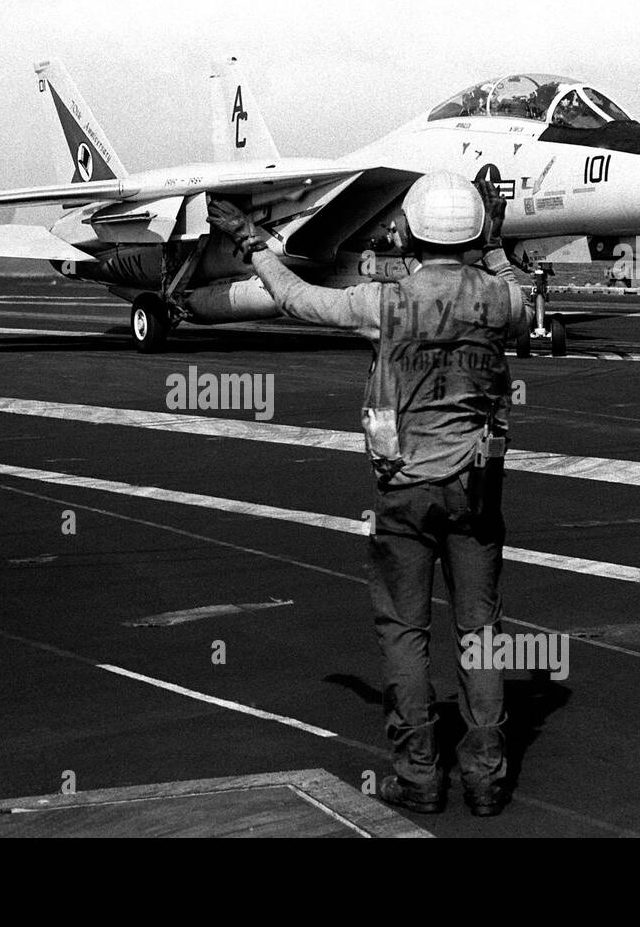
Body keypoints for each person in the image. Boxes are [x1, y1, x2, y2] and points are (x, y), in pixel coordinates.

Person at [207, 173, 533, 817]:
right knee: (482, 633)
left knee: (405, 631)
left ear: (411, 230)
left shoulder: (385, 303)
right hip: (476, 491)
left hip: (405, 492)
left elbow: (297, 300)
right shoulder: (499, 303)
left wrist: (252, 241)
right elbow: (525, 300)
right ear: (474, 233)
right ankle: (487, 778)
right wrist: (493, 244)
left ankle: (419, 777)